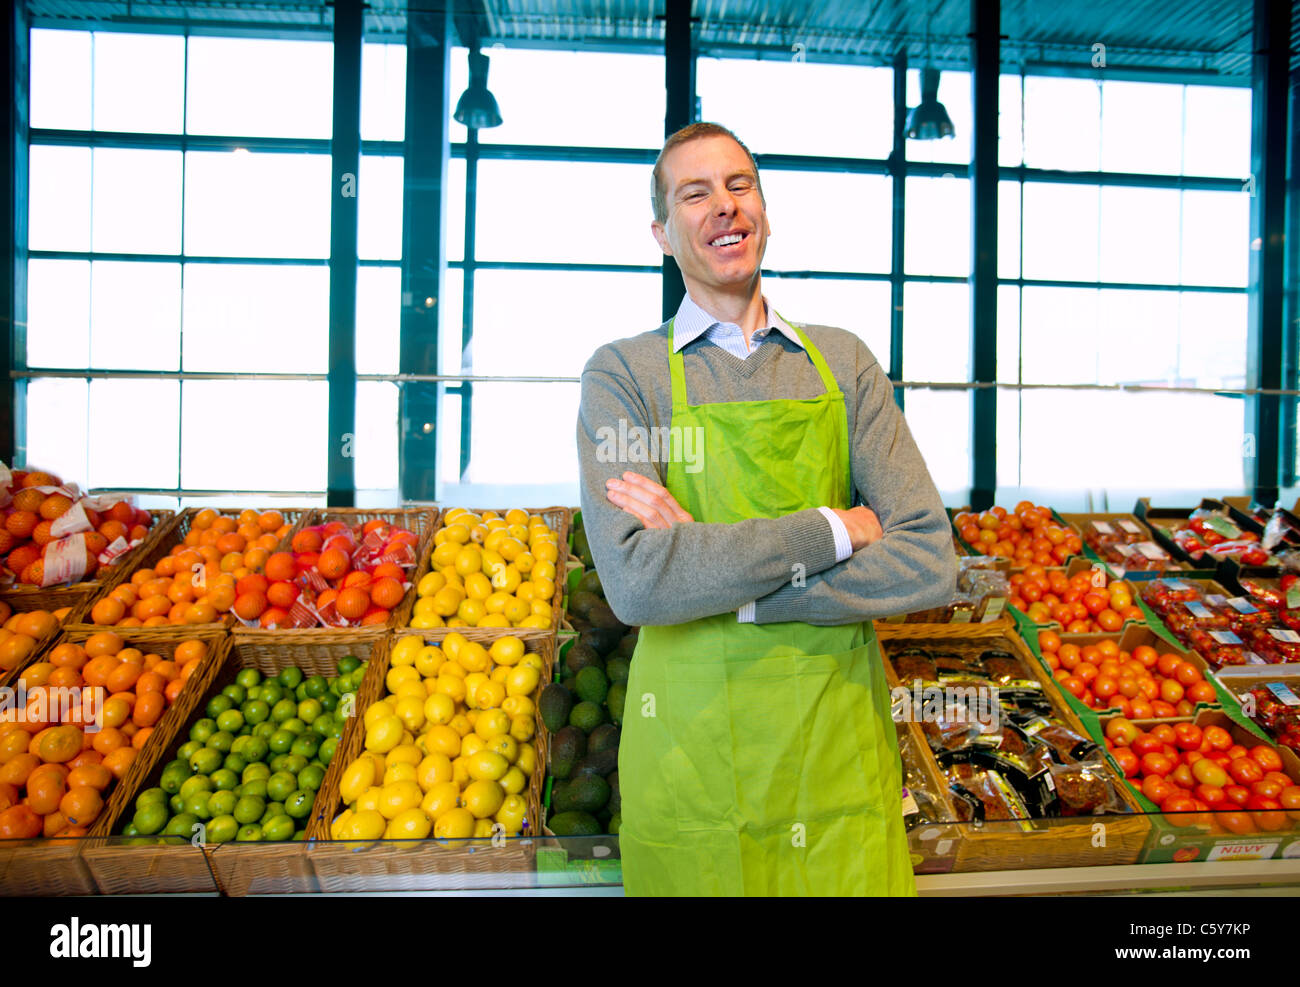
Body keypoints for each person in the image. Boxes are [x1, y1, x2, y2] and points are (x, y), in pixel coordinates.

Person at [575, 122, 956, 896]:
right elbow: (641, 584)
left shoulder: (844, 362)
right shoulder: (624, 375)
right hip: (692, 761)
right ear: (662, 232)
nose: (724, 206)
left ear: (765, 211)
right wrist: (833, 529)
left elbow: (927, 558)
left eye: (739, 185)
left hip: (836, 753)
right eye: (696, 192)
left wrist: (724, 584)